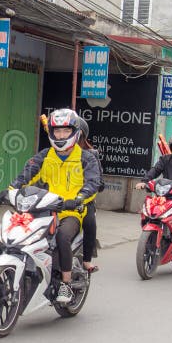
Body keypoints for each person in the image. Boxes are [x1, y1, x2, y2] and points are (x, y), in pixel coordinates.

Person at [0, 108, 101, 304]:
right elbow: (26, 175)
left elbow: (93, 184)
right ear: (51, 133)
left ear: (75, 132)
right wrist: (10, 190)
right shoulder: (45, 155)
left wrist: (79, 198)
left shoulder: (86, 158)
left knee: (61, 236)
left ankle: (66, 283)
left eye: (65, 131)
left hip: (72, 211)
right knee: (19, 233)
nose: (61, 135)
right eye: (57, 131)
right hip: (43, 208)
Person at [75, 116, 104, 272]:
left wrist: (85, 192)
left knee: (89, 222)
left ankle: (86, 260)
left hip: (83, 200)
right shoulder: (52, 154)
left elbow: (99, 183)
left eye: (69, 132)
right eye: (59, 131)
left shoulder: (91, 155)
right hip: (57, 199)